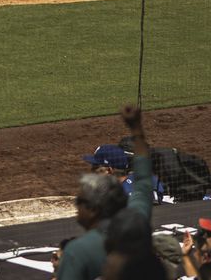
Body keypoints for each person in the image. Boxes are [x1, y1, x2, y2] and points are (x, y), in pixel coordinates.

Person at [56, 106, 155, 280]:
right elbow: (144, 179)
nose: (91, 171)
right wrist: (136, 129)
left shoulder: (79, 251)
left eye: (95, 167)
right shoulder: (137, 219)